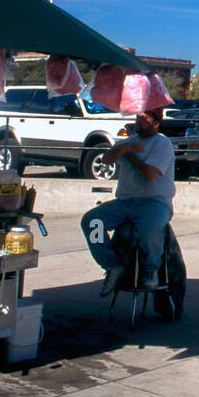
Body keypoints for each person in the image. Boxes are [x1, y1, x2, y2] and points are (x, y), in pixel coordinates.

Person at [80, 107, 175, 294]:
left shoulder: (162, 144)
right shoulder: (129, 141)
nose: (138, 121)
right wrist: (123, 148)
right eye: (137, 117)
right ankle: (112, 265)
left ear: (155, 123)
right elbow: (106, 159)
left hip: (154, 202)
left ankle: (151, 269)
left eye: (143, 118)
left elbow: (150, 174)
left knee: (150, 229)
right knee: (92, 222)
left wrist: (130, 155)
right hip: (125, 202)